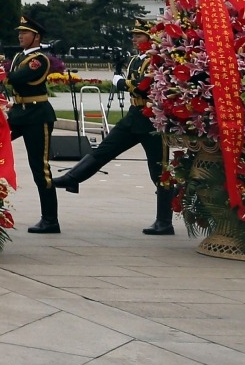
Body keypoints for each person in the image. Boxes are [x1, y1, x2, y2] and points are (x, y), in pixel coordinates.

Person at [52, 27, 174, 235]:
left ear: (150, 37)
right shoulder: (137, 59)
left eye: (139, 35)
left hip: (153, 120)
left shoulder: (157, 59)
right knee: (104, 149)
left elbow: (143, 86)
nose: (134, 39)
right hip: (135, 114)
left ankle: (164, 221)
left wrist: (122, 83)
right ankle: (73, 178)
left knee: (159, 171)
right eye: (133, 35)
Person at [5, 14, 60, 234]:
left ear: (36, 37)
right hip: (19, 113)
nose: (20, 35)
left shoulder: (40, 59)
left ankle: (50, 219)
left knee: (40, 168)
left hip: (38, 116)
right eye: (19, 32)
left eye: (24, 32)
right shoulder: (20, 56)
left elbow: (17, 78)